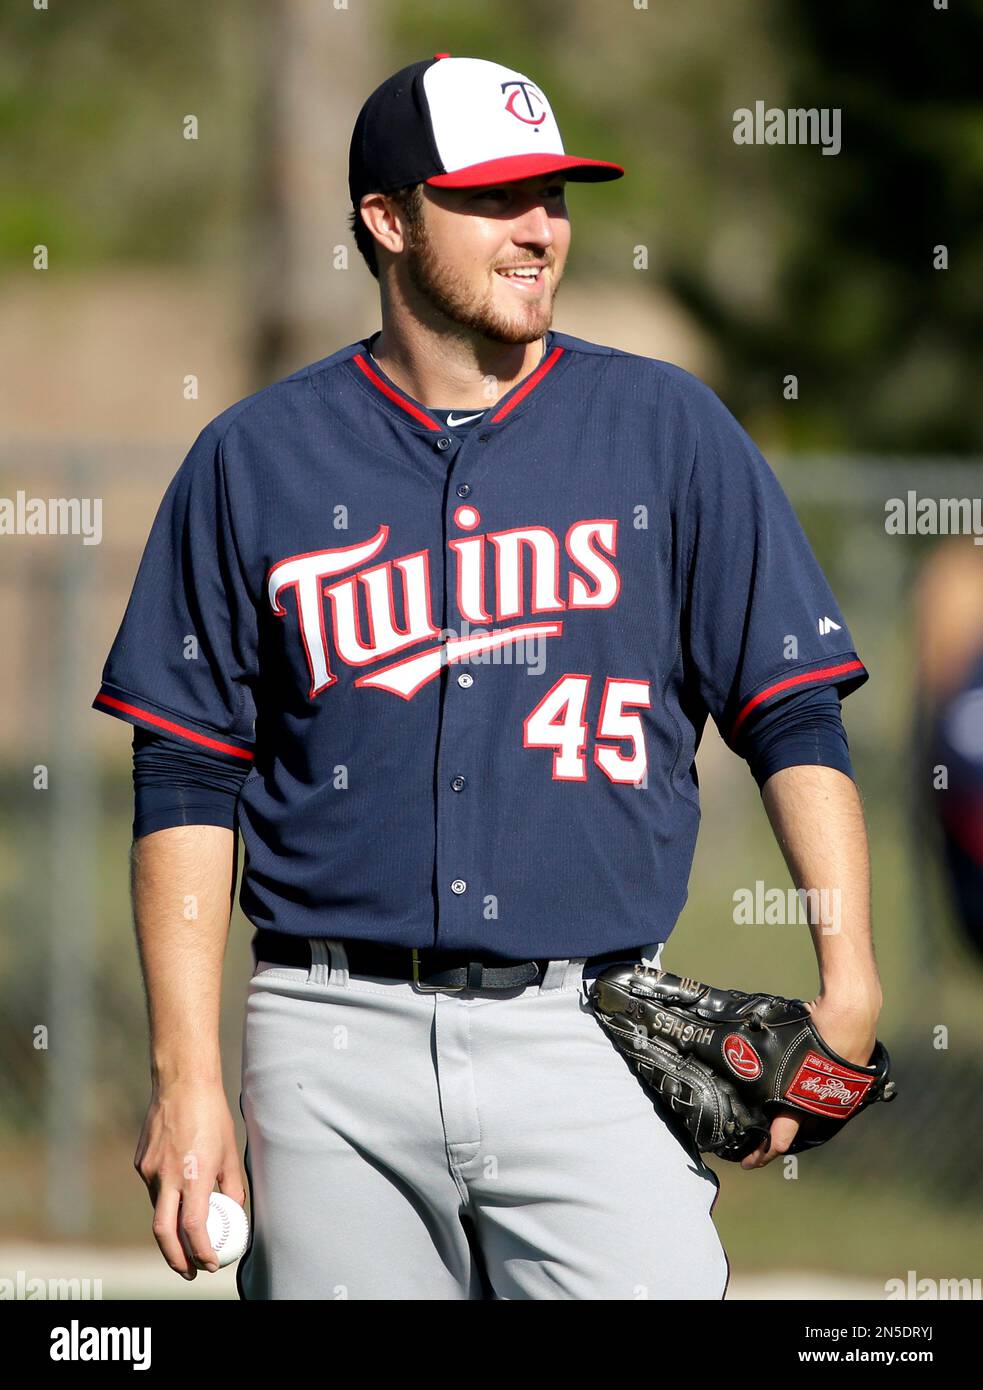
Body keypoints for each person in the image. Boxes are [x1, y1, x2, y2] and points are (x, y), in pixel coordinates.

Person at [93, 54, 883, 1300]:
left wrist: (851, 972)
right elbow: (186, 771)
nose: (538, 228)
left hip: (591, 1030)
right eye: (494, 196)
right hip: (324, 1043)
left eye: (555, 195)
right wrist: (188, 1081)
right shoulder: (256, 460)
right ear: (387, 220)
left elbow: (787, 712)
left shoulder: (665, 432)